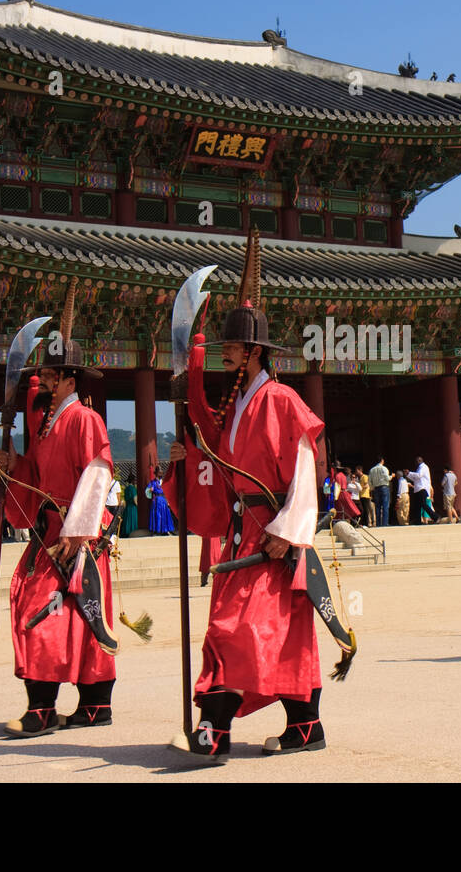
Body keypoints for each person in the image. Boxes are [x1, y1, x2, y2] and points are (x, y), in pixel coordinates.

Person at [167, 289, 329, 764]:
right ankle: (306, 725)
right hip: (243, 535)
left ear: (253, 352)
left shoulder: (281, 399)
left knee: (236, 629)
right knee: (277, 633)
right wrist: (189, 457)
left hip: (271, 535)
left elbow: (304, 467)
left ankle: (213, 731)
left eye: (232, 347)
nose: (226, 354)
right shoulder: (235, 405)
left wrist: (290, 529)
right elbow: (222, 468)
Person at [0, 285, 117, 737]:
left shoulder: (84, 419)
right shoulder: (49, 422)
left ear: (69, 379)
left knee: (50, 611)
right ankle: (91, 706)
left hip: (76, 535)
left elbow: (98, 473)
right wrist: (16, 466)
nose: (42, 381)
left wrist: (80, 532)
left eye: (48, 375)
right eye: (41, 374)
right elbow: (39, 479)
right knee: (66, 615)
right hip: (51, 529)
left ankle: (47, 707)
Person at [147, 469, 176, 535]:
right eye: (159, 473)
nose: (161, 474)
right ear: (156, 474)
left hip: (163, 499)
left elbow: (168, 490)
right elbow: (147, 491)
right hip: (156, 500)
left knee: (165, 514)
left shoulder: (163, 482)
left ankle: (165, 530)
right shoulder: (152, 482)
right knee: (157, 515)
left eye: (161, 473)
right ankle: (157, 530)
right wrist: (150, 490)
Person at [369, 457, 391, 528]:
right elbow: (387, 478)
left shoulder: (372, 470)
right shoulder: (384, 468)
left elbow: (370, 481)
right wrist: (392, 476)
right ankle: (385, 523)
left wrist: (372, 488)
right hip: (384, 487)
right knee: (385, 506)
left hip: (376, 489)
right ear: (382, 461)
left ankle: (378, 523)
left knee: (377, 506)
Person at [121, 472, 140, 538]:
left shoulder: (126, 489)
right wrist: (138, 505)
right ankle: (132, 532)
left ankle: (126, 532)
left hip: (128, 506)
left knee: (127, 520)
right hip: (133, 507)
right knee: (133, 520)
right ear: (132, 481)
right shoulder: (133, 489)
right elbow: (135, 499)